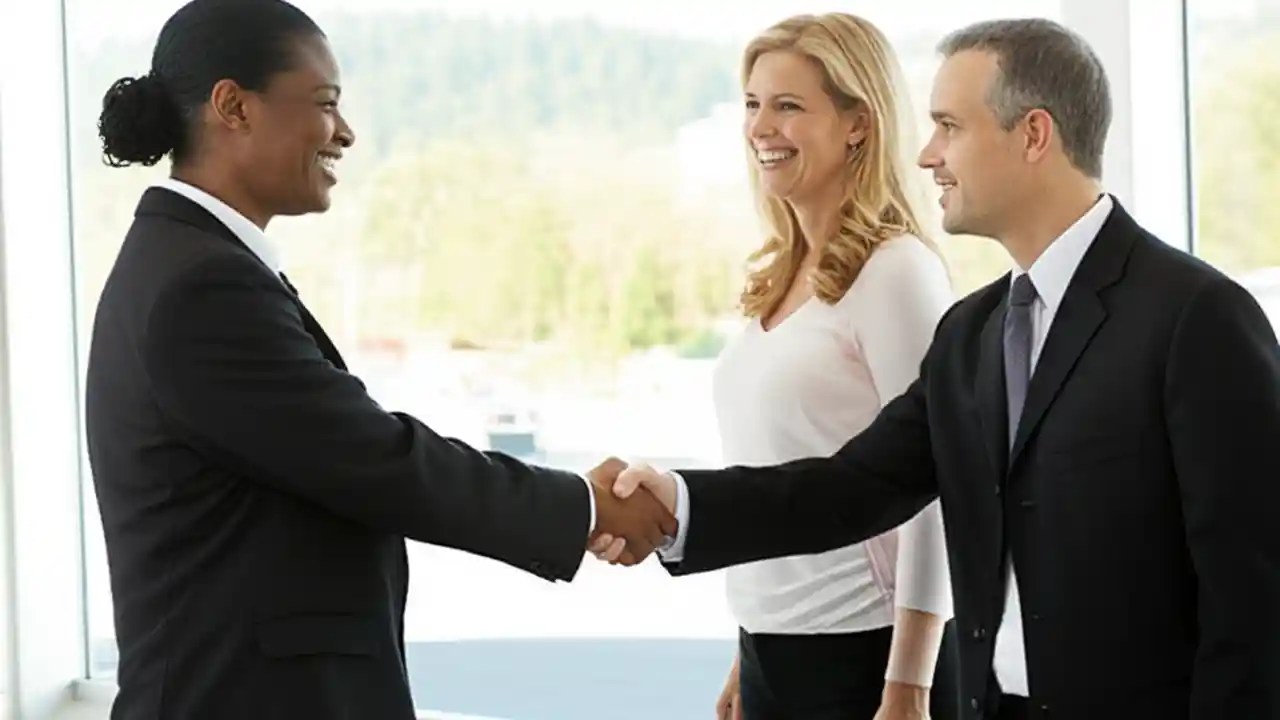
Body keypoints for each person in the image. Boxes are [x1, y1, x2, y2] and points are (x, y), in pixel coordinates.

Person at [597, 17, 1280, 720]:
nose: (927, 155)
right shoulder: (973, 336)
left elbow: (1255, 603)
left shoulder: (1196, 319)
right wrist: (677, 505)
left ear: (1034, 135)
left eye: (950, 126)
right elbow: (852, 489)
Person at [84, 1, 673, 718]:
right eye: (325, 104)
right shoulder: (201, 286)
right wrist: (581, 506)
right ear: (233, 106)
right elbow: (374, 459)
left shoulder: (186, 262)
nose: (347, 132)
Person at [704, 13, 959, 720]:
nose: (761, 127)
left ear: (857, 124)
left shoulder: (898, 272)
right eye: (753, 104)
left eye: (789, 106)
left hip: (864, 651)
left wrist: (908, 684)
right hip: (773, 646)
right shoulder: (780, 277)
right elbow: (773, 475)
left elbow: (936, 487)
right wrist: (746, 650)